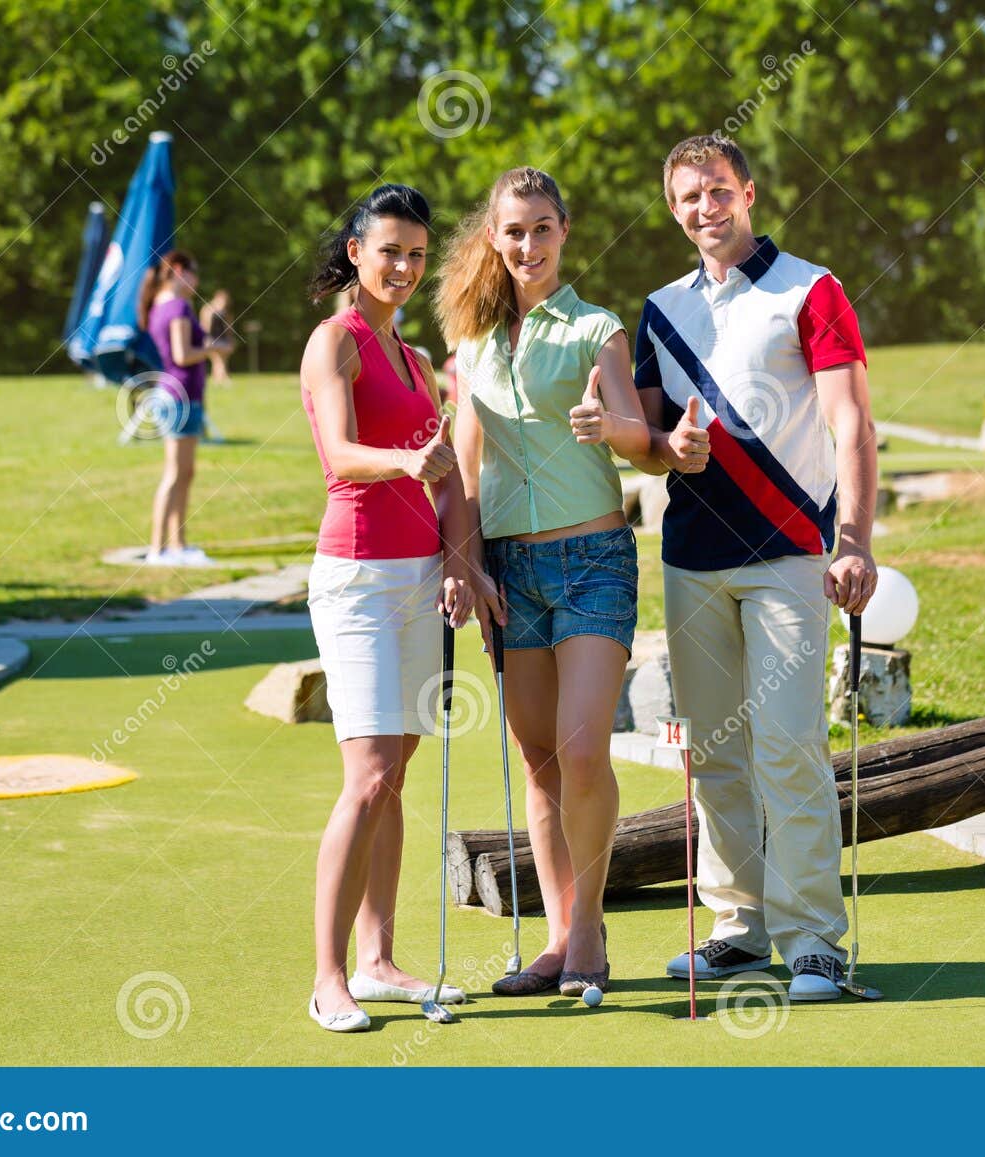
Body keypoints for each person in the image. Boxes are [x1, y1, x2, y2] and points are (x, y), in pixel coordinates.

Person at [629, 135, 880, 1001]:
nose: (707, 208)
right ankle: (739, 930)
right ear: (673, 209)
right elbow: (652, 439)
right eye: (690, 197)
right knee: (716, 753)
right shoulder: (659, 309)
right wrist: (670, 447)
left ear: (750, 193)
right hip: (692, 559)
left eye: (719, 191)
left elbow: (852, 424)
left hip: (789, 554)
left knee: (787, 744)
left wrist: (856, 539)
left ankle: (814, 941)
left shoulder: (811, 289)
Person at [435, 167, 649, 998]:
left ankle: (590, 932)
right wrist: (464, 560)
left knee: (585, 750)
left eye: (543, 229)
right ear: (494, 236)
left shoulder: (598, 328)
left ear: (566, 232)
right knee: (538, 761)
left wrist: (613, 427)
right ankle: (559, 939)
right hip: (510, 571)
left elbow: (636, 433)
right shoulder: (472, 344)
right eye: (514, 231)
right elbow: (462, 460)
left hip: (594, 559)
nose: (528, 245)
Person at [300, 184, 479, 1033]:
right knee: (366, 777)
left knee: (395, 777)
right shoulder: (334, 341)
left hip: (418, 582)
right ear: (355, 253)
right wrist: (410, 465)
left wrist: (457, 559)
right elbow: (338, 454)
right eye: (389, 251)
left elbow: (448, 479)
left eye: (416, 253)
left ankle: (377, 958)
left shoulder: (415, 361)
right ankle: (327, 976)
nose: (403, 267)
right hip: (359, 583)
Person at [139, 250, 234, 566]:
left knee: (185, 472)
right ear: (179, 271)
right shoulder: (178, 306)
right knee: (174, 473)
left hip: (178, 395)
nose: (196, 282)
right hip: (179, 397)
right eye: (193, 274)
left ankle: (178, 545)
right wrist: (215, 348)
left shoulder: (160, 305)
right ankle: (158, 549)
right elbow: (182, 355)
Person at [199, 289, 236, 385]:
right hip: (211, 339)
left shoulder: (225, 311)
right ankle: (224, 379)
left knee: (221, 360)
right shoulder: (207, 309)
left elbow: (229, 327)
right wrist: (205, 338)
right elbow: (204, 325)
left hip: (223, 339)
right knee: (217, 359)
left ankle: (217, 379)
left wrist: (230, 339)